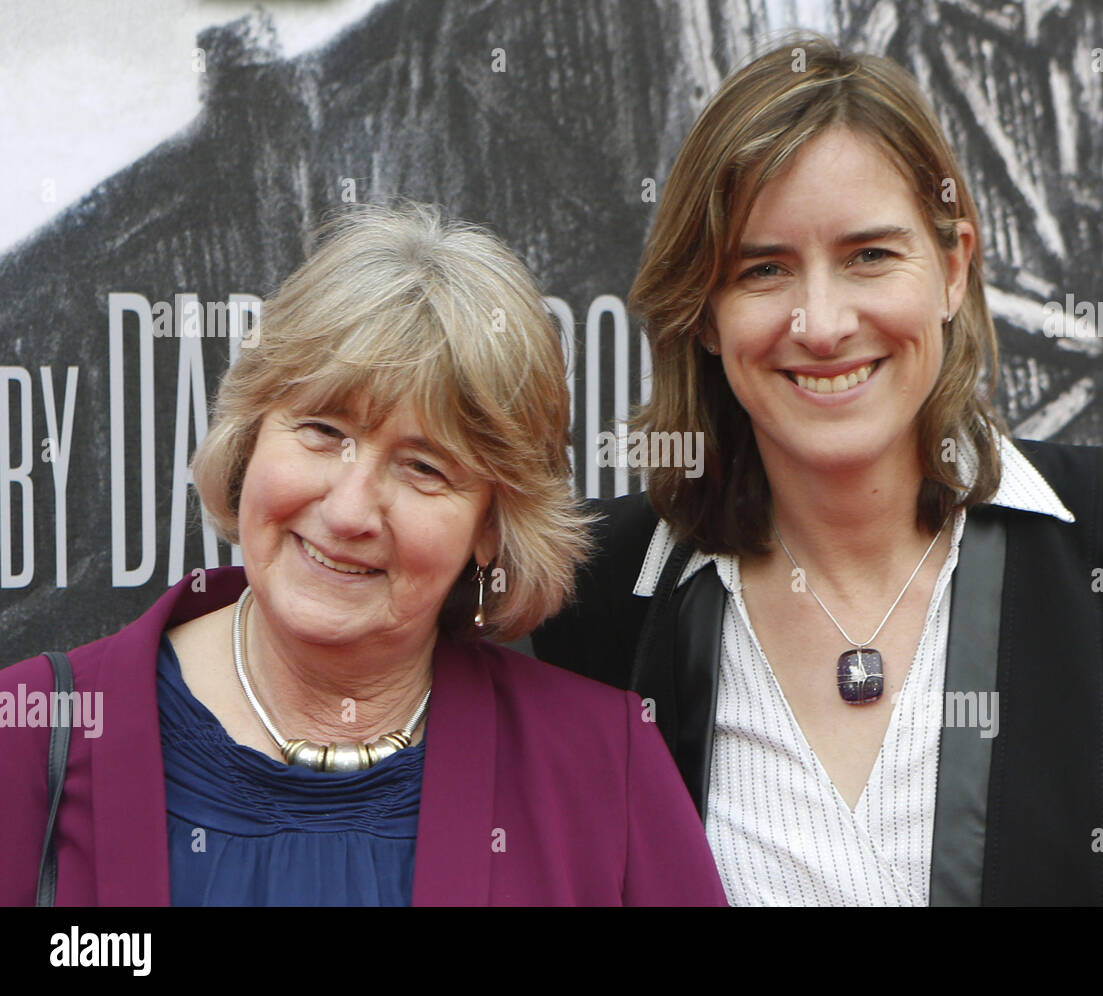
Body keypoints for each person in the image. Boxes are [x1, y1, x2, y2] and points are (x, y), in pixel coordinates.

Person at [531, 37, 1103, 905]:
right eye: (763, 269)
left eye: (869, 256)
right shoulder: (598, 596)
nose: (820, 323)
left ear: (952, 267)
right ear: (706, 314)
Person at [0, 201, 726, 906]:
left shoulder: (604, 768)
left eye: (424, 468)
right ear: (251, 435)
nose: (349, 510)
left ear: (491, 525)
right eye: (321, 429)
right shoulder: (29, 736)